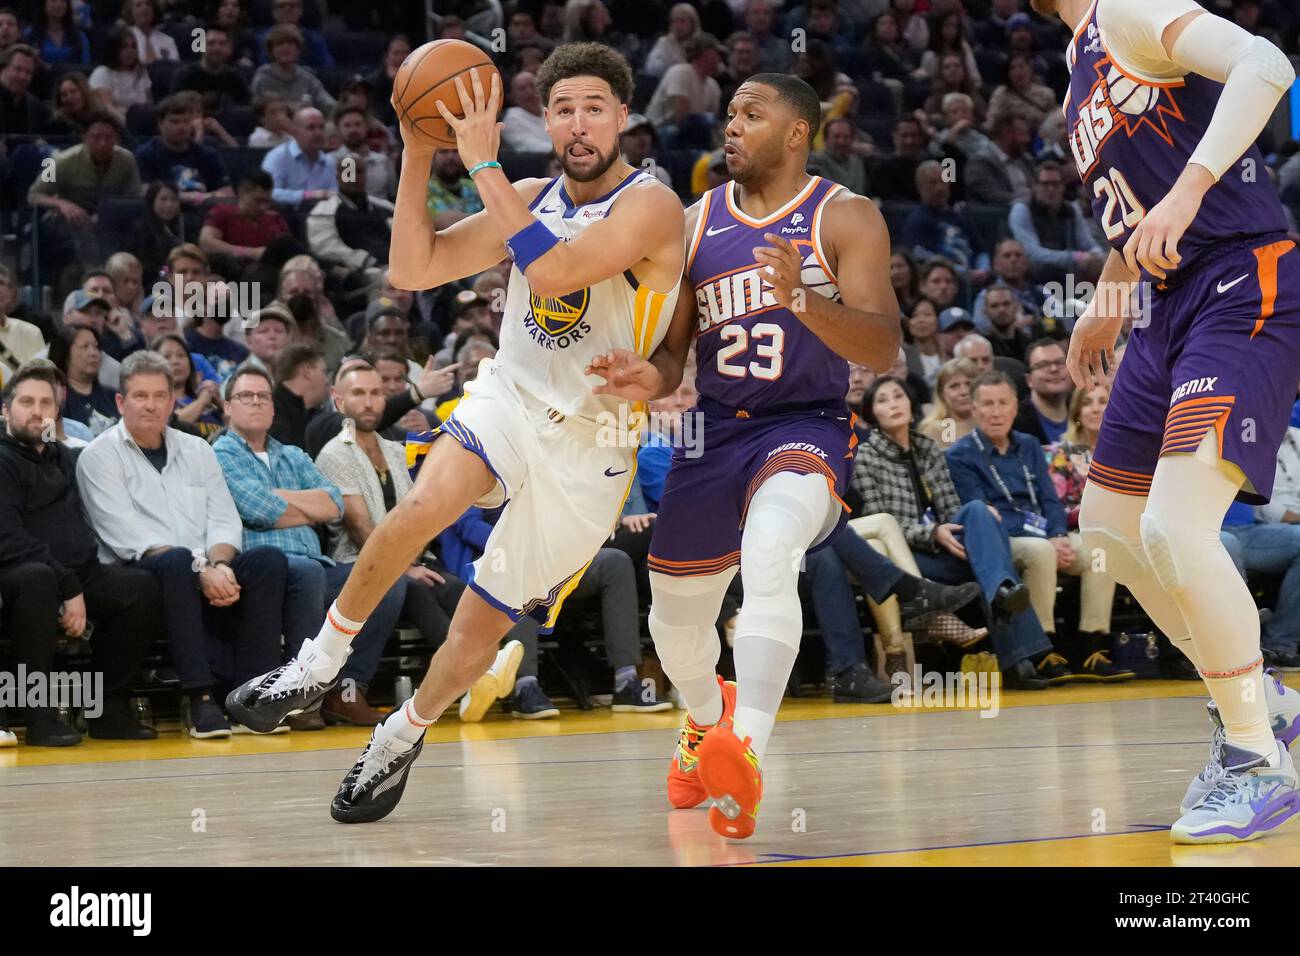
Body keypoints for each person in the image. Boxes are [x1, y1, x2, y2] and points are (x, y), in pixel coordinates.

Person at [227, 43, 686, 828]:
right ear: (547, 119)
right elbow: (415, 265)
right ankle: (316, 665)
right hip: (509, 393)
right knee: (425, 503)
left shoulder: (653, 206)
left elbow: (554, 274)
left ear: (622, 118)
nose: (579, 125)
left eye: (595, 109)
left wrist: (480, 166)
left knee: (481, 622)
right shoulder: (531, 190)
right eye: (564, 109)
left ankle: (402, 734)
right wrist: (416, 152)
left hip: (594, 438)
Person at [607, 73, 904, 841]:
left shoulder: (846, 217)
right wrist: (651, 376)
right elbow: (675, 356)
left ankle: (747, 755)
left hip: (804, 423)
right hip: (711, 432)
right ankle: (709, 721)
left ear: (799, 131)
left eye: (750, 113)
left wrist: (804, 298)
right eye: (729, 112)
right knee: (673, 627)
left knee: (772, 547)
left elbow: (883, 345)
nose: (730, 125)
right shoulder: (694, 221)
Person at [76, 350, 289, 738]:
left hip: (201, 564)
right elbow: (126, 536)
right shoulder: (98, 456)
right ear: (121, 402)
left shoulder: (197, 449)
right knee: (175, 562)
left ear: (173, 401)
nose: (151, 404)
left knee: (268, 561)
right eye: (140, 396)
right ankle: (201, 698)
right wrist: (200, 568)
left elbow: (223, 518)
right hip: (140, 570)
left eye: (160, 395)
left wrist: (220, 565)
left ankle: (251, 699)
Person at [214, 363, 404, 726]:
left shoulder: (293, 454)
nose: (256, 403)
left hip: (315, 564)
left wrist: (279, 501)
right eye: (245, 396)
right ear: (227, 407)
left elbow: (332, 505)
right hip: (260, 566)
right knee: (306, 573)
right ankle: (293, 698)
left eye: (263, 397)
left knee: (385, 581)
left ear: (273, 407)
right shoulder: (220, 453)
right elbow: (256, 508)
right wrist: (304, 504)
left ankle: (344, 690)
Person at [849, 376, 1051, 686]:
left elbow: (950, 508)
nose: (893, 404)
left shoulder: (929, 448)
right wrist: (933, 534)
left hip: (944, 546)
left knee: (978, 511)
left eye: (898, 396)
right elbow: (881, 523)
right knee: (991, 562)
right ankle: (1018, 656)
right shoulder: (865, 457)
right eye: (883, 400)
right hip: (906, 557)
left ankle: (1001, 589)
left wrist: (960, 525)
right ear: (872, 413)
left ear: (911, 405)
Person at [0, 363, 161, 745]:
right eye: (26, 402)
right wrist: (67, 586)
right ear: (6, 410)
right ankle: (39, 718)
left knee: (139, 588)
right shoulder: (3, 459)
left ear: (57, 413)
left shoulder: (65, 458)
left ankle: (108, 711)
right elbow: (8, 539)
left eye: (46, 403)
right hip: (19, 574)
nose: (38, 411)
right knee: (36, 580)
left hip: (74, 573)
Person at [133, 94, 233, 208]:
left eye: (186, 121)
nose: (181, 127)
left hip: (204, 216)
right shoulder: (145, 154)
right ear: (160, 124)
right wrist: (199, 197)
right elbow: (148, 194)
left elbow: (228, 195)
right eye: (175, 122)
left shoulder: (209, 154)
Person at [49, 324, 118, 436]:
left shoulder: (113, 396)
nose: (93, 353)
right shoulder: (56, 399)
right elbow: (48, 441)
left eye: (96, 347)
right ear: (65, 354)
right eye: (85, 347)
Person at [153, 332, 224, 438]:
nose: (175, 361)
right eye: (167, 356)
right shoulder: (154, 402)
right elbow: (170, 426)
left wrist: (221, 404)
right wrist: (202, 402)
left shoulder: (208, 400)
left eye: (181, 355)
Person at [1013, 338, 1072, 444]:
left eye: (1060, 362)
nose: (1054, 369)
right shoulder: (1014, 421)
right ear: (1029, 380)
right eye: (1043, 365)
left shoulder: (1083, 411)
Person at [89, 25, 152, 124]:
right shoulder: (102, 73)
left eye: (133, 47)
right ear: (113, 50)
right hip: (115, 124)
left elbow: (149, 104)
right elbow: (107, 108)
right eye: (124, 47)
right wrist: (132, 118)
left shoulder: (141, 72)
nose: (130, 51)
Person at [918, 356, 978, 448]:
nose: (964, 392)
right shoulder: (937, 429)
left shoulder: (990, 423)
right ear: (942, 394)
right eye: (954, 386)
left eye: (969, 384)